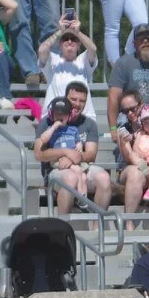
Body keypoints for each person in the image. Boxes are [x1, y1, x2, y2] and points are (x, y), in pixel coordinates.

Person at [34, 85, 109, 214]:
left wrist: (73, 158)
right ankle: (63, 227)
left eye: (82, 101)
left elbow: (91, 155)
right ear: (66, 98)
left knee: (104, 177)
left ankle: (98, 228)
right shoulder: (47, 121)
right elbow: (38, 154)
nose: (77, 104)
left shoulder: (89, 123)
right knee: (71, 177)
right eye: (73, 99)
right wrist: (65, 153)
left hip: (81, 165)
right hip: (55, 169)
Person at [39, 15, 97, 106]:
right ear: (60, 44)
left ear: (79, 45)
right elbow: (42, 50)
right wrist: (60, 31)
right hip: (54, 115)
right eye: (65, 39)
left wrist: (77, 32)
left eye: (73, 39)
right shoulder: (53, 60)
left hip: (82, 115)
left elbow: (93, 49)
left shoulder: (83, 60)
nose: (69, 41)